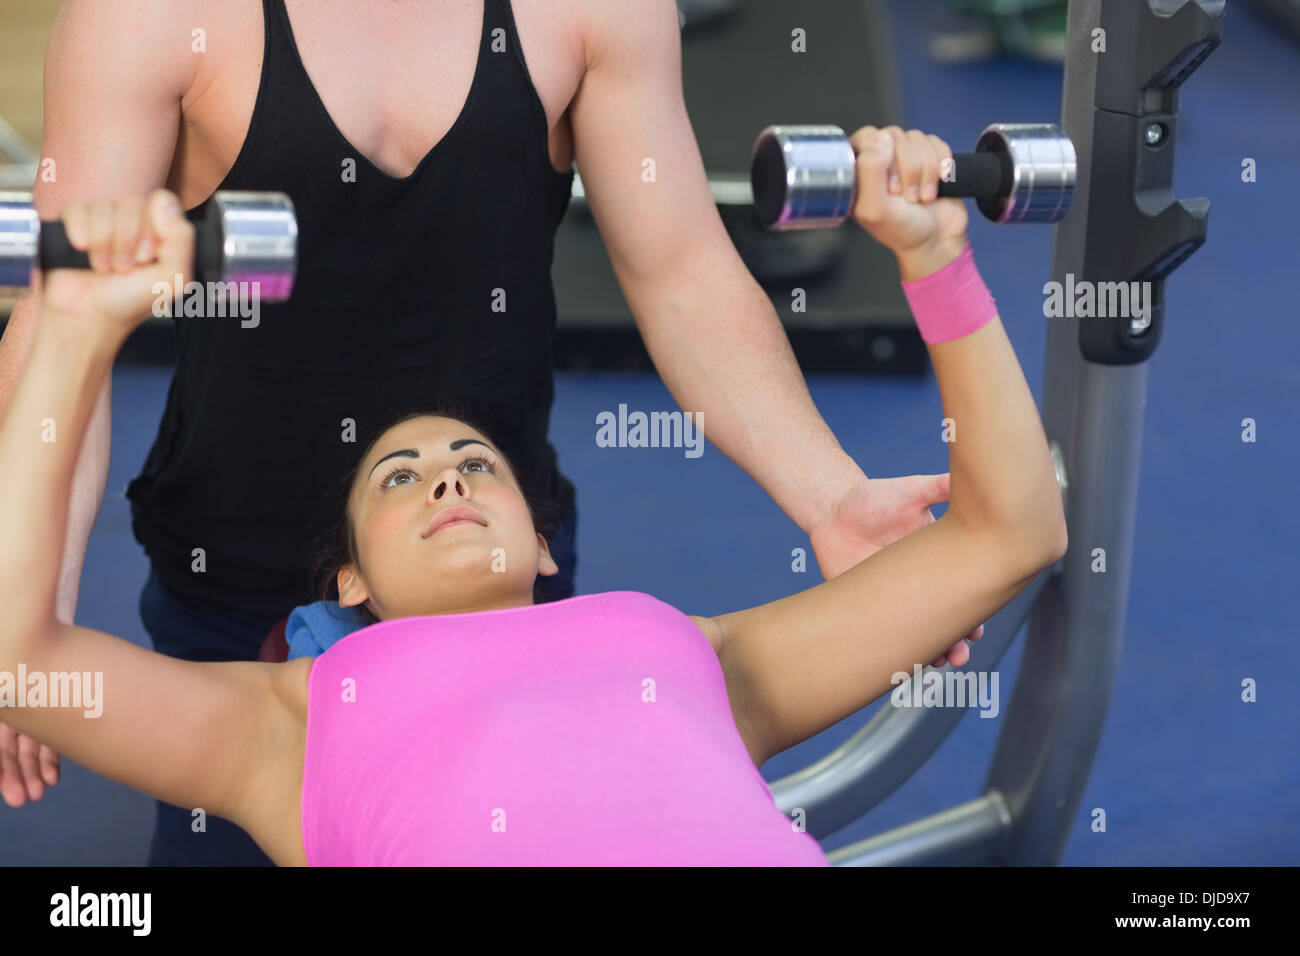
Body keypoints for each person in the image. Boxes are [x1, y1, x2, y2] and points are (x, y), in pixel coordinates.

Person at [0, 0, 979, 864]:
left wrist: (829, 493)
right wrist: (24, 617)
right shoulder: (153, 15)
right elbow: (65, 315)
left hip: (497, 583)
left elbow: (678, 266)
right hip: (228, 579)